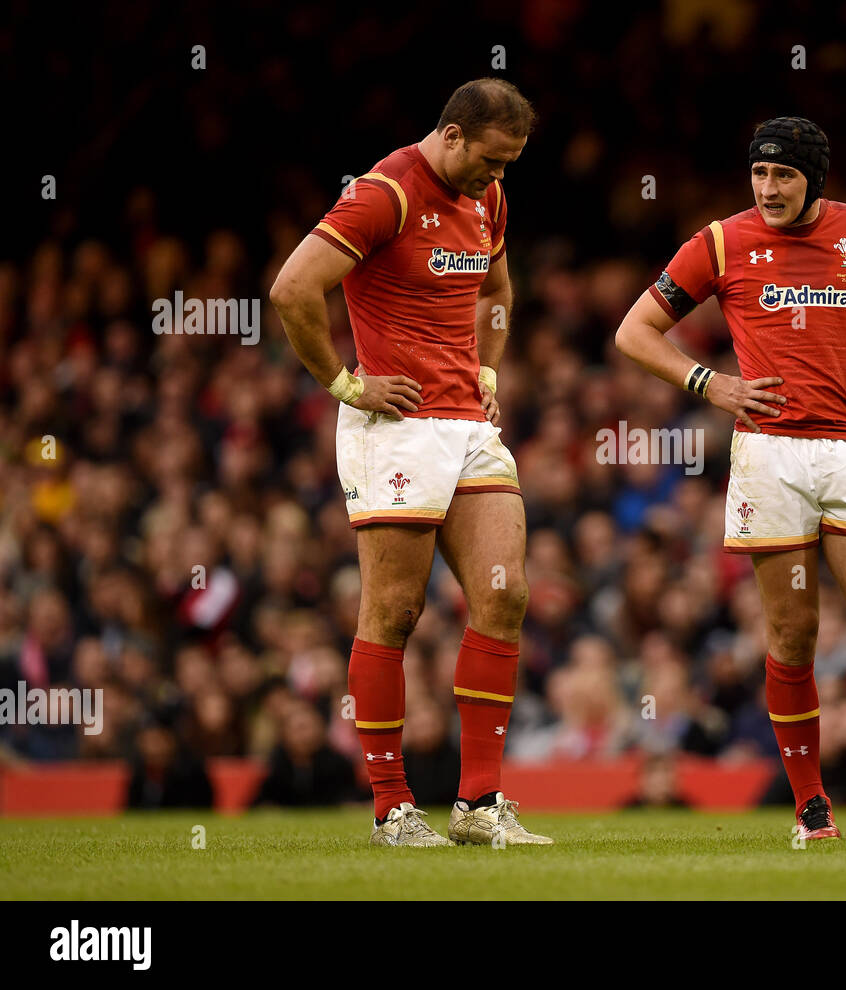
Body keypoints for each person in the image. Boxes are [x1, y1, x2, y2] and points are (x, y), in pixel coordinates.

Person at [615, 117, 846, 840]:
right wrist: (708, 382)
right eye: (758, 174)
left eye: (782, 175)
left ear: (814, 177)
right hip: (769, 456)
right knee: (792, 638)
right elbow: (634, 331)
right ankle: (811, 805)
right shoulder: (721, 242)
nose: (768, 188)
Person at [270, 78, 551, 846]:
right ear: (453, 136)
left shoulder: (486, 199)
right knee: (394, 611)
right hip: (392, 425)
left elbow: (496, 287)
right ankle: (393, 808)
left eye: (509, 166)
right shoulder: (383, 193)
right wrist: (344, 383)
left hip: (466, 421)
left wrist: (488, 369)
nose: (497, 178)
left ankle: (479, 806)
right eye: (490, 161)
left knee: (507, 595)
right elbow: (294, 289)